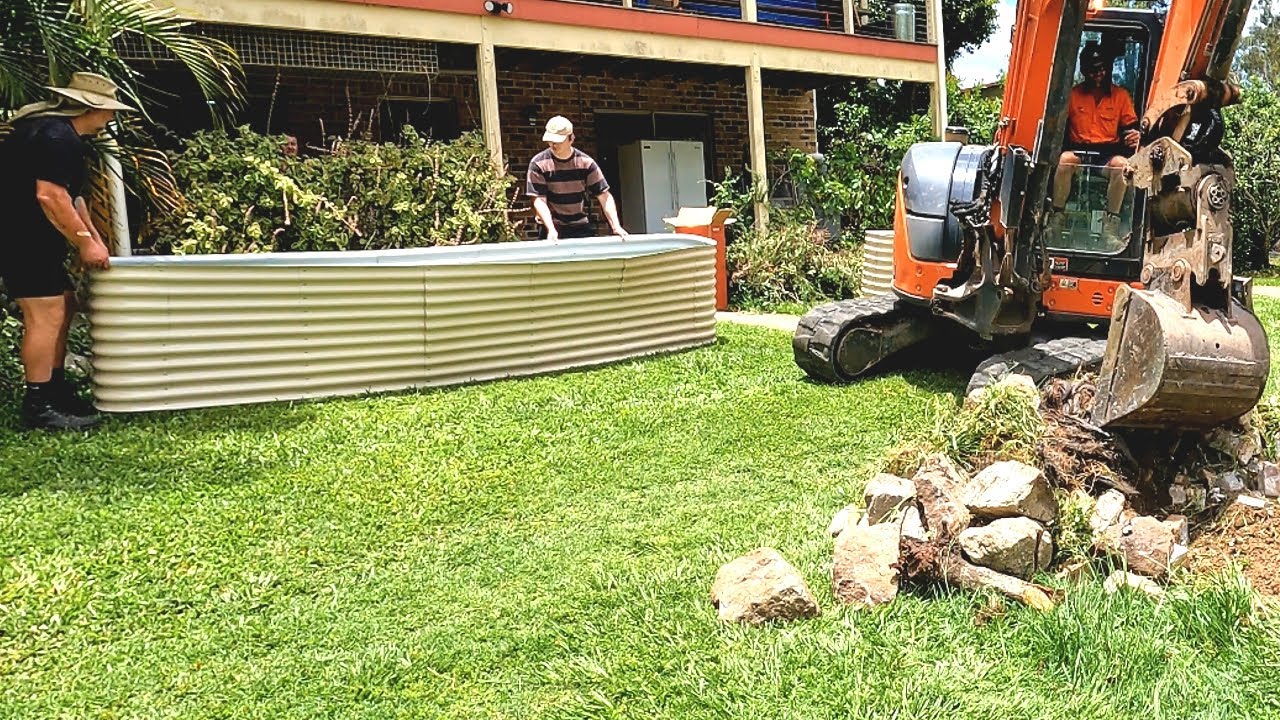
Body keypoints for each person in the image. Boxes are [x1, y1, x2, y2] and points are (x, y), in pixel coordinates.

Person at [0, 72, 134, 430]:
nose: (111, 118)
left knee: (64, 302)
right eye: (108, 110)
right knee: (44, 314)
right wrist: (83, 241)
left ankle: (55, 390)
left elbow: (74, 198)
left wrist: (92, 238)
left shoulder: (60, 134)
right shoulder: (57, 138)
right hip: (21, 237)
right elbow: (50, 196)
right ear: (91, 108)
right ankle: (39, 404)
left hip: (35, 238)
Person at [1049, 43, 1140, 244]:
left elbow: (1131, 127)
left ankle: (1110, 225)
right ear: (1084, 71)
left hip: (1107, 155)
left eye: (1101, 69)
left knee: (1122, 166)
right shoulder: (1072, 95)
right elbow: (1057, 127)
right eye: (1092, 70)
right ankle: (1056, 218)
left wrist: (1135, 135)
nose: (1098, 74)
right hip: (1079, 153)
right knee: (1065, 160)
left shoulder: (1120, 96)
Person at [526, 116, 627, 240]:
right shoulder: (538, 163)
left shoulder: (585, 163)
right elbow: (539, 200)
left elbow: (604, 195)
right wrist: (551, 229)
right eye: (550, 141)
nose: (553, 145)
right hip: (552, 226)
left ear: (571, 139)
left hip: (580, 225)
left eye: (558, 142)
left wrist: (616, 226)